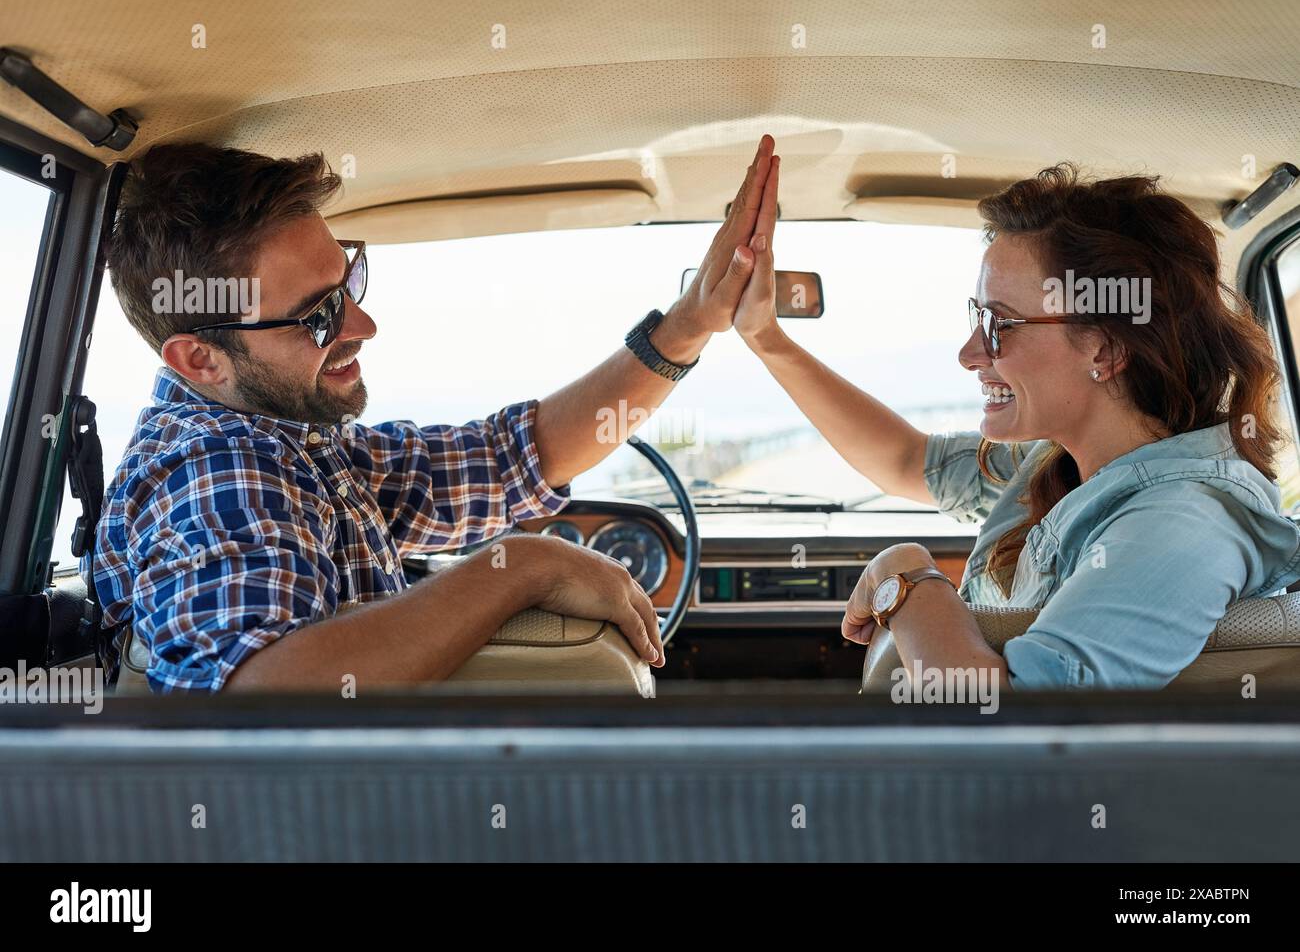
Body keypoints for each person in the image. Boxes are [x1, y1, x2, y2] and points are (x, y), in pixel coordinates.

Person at [87, 135, 780, 692]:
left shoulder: (292, 438)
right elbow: (258, 699)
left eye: (349, 279)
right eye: (318, 315)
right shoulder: (216, 469)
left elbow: (512, 458)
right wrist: (520, 567)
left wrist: (689, 324)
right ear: (201, 359)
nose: (363, 322)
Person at [734, 160, 1300, 688]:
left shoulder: (1181, 524)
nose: (969, 353)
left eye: (999, 324)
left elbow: (1011, 730)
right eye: (978, 318)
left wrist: (906, 580)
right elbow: (907, 461)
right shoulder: (1064, 459)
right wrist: (766, 338)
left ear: (1103, 348)